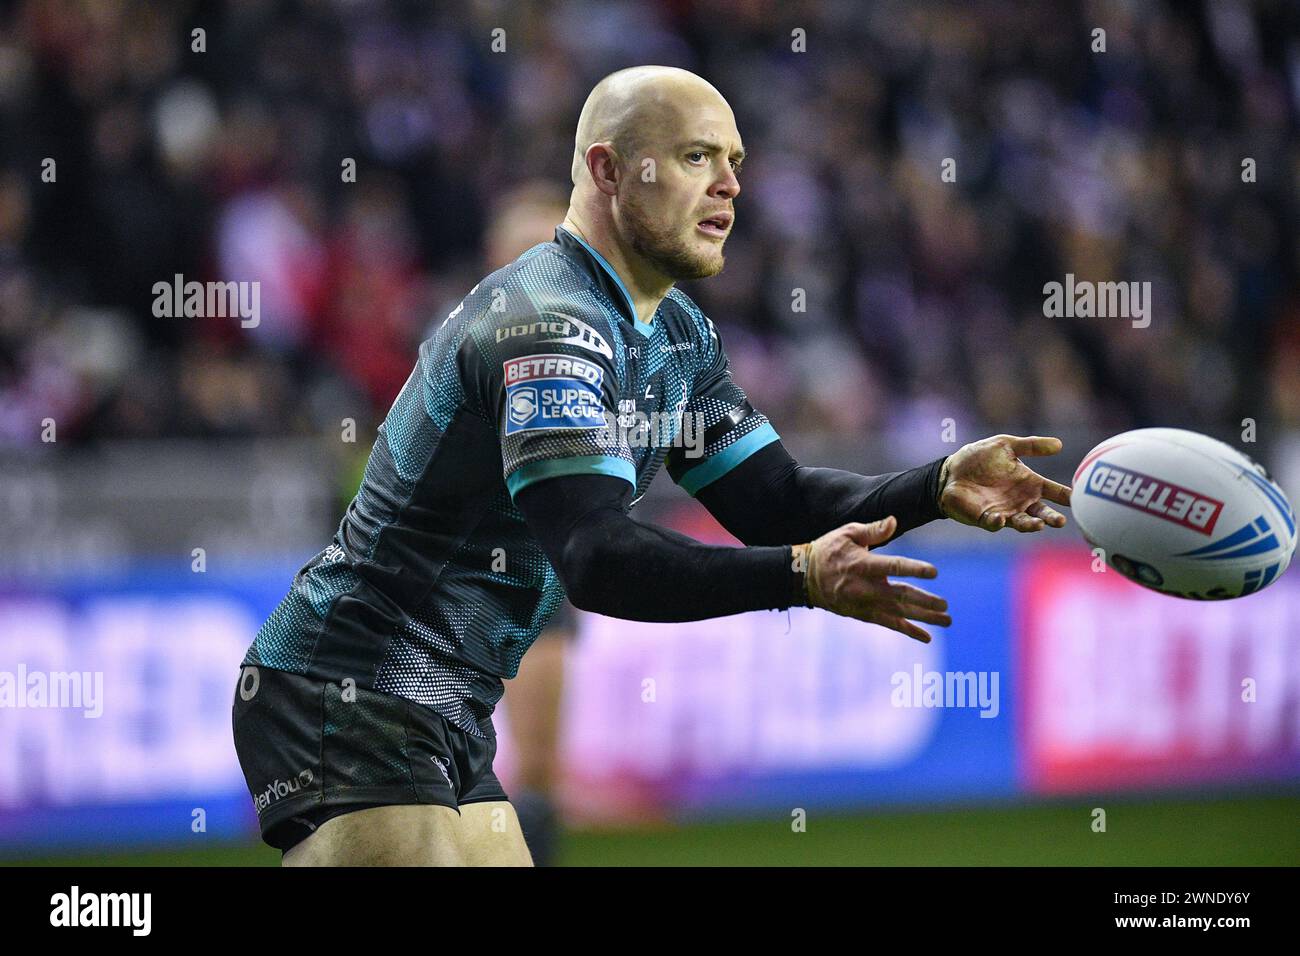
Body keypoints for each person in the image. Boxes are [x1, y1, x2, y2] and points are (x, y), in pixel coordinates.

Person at [232, 65, 1071, 867]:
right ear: (608, 169)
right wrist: (801, 578)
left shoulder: (673, 335)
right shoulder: (550, 327)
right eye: (697, 156)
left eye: (735, 162)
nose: (732, 186)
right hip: (348, 685)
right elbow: (597, 557)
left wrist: (936, 485)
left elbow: (775, 501)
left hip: (444, 701)